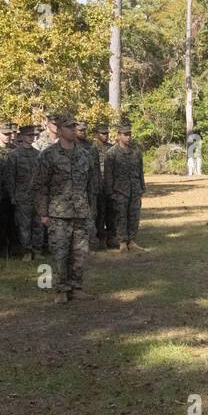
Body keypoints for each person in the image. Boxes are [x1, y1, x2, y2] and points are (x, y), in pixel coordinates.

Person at [35, 113, 97, 303]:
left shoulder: (85, 154)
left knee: (80, 253)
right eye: (69, 127)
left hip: (81, 212)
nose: (73, 130)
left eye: (74, 126)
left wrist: (91, 211)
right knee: (60, 252)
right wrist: (43, 213)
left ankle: (76, 287)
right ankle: (61, 289)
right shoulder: (48, 155)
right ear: (60, 130)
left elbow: (91, 186)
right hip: (58, 213)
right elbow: (40, 186)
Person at [105, 121, 147, 253]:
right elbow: (108, 174)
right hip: (119, 191)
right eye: (125, 134)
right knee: (120, 217)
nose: (128, 137)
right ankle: (122, 242)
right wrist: (110, 191)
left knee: (134, 215)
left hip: (134, 189)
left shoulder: (136, 151)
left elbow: (140, 171)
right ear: (118, 136)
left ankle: (132, 240)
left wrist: (142, 186)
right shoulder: (111, 153)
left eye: (129, 134)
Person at [6, 125, 41, 260]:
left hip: (36, 196)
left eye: (32, 136)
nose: (31, 138)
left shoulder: (38, 154)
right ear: (22, 137)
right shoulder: (14, 155)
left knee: (37, 225)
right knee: (24, 226)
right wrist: (13, 196)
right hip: (21, 195)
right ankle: (26, 251)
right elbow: (10, 177)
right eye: (28, 135)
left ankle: (37, 251)